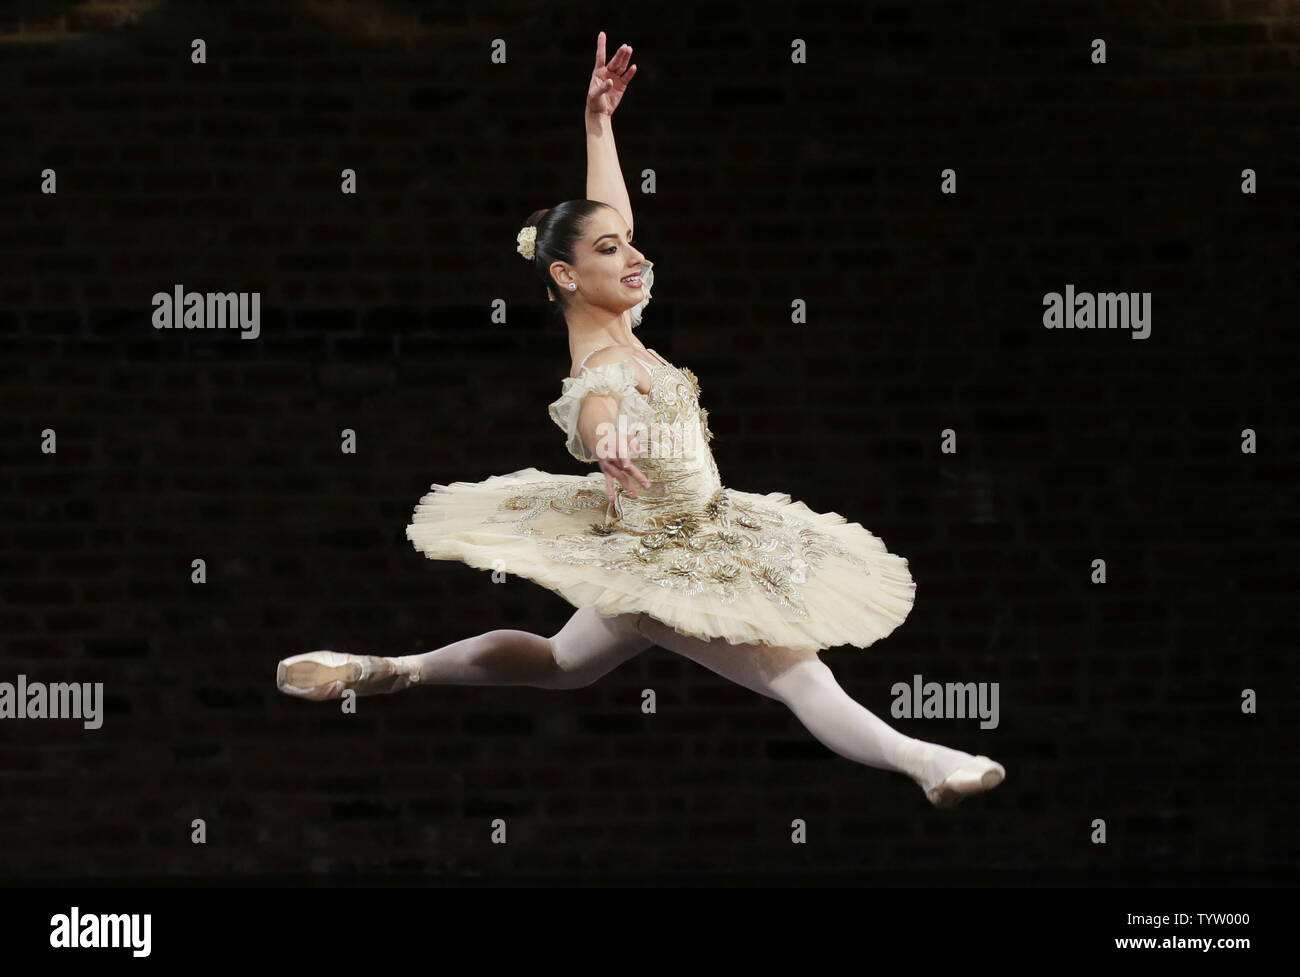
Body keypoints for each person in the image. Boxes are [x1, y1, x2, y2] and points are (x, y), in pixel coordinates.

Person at [276, 32, 1005, 809]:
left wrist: (598, 123)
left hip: (692, 531)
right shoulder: (600, 363)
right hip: (667, 557)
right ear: (566, 275)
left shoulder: (622, 324)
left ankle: (390, 669)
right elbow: (592, 409)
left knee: (565, 662)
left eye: (632, 245)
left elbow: (612, 214)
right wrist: (607, 438)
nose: (634, 257)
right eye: (611, 250)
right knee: (798, 673)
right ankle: (927, 761)